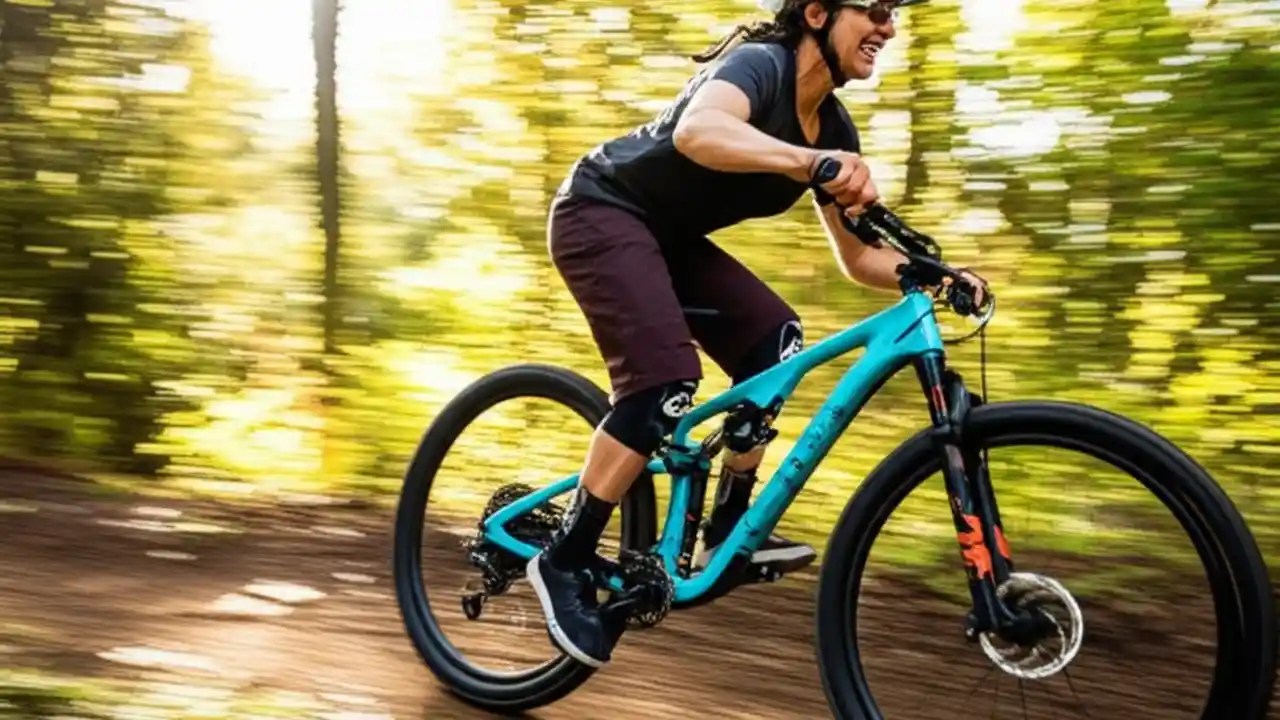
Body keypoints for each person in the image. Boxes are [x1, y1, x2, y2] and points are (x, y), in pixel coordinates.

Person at [527, 0, 985, 668]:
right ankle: (564, 557)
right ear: (819, 12)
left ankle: (726, 530)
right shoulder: (760, 66)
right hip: (601, 210)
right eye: (878, 8)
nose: (889, 26)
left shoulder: (832, 124)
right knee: (663, 384)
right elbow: (698, 133)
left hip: (669, 239)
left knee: (776, 344)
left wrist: (939, 277)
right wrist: (810, 162)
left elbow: (859, 258)